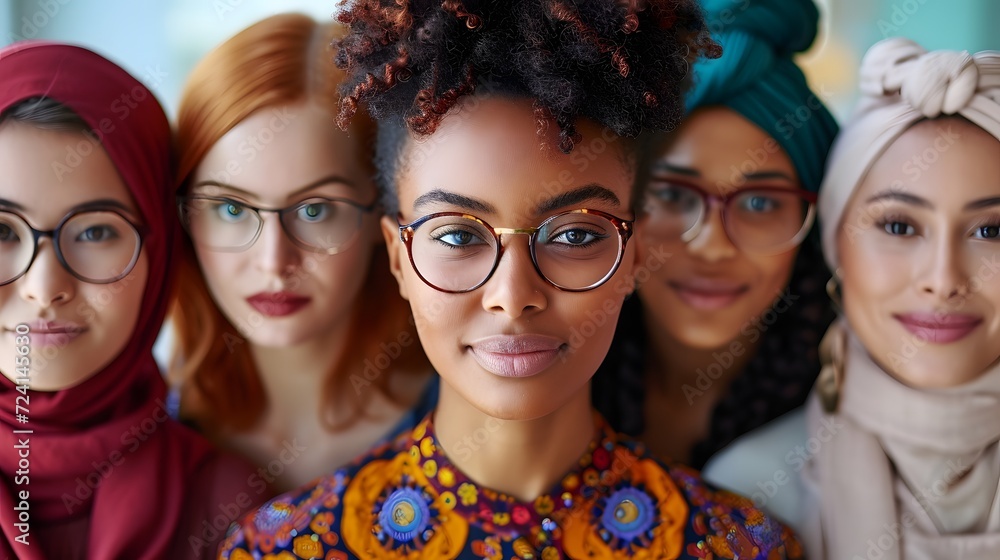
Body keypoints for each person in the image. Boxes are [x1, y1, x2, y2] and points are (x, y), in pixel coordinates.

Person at [220, 2, 805, 558]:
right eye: (457, 236)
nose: (514, 296)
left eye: (575, 235)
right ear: (398, 259)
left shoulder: (739, 546)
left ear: (634, 256)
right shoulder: (287, 548)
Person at [705, 37, 1000, 558]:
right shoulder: (749, 494)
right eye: (898, 225)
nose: (943, 279)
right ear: (835, 249)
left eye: (991, 232)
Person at [0, 42, 256, 559]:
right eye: (1, 232)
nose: (45, 286)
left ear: (159, 250)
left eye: (95, 232)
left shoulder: (230, 507)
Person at [170, 13, 434, 492]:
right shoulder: (153, 436)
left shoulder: (466, 425)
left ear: (383, 214)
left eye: (315, 210)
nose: (275, 262)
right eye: (231, 208)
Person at [592, 0, 838, 469]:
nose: (713, 245)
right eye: (673, 195)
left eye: (760, 203)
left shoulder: (849, 419)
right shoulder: (547, 380)